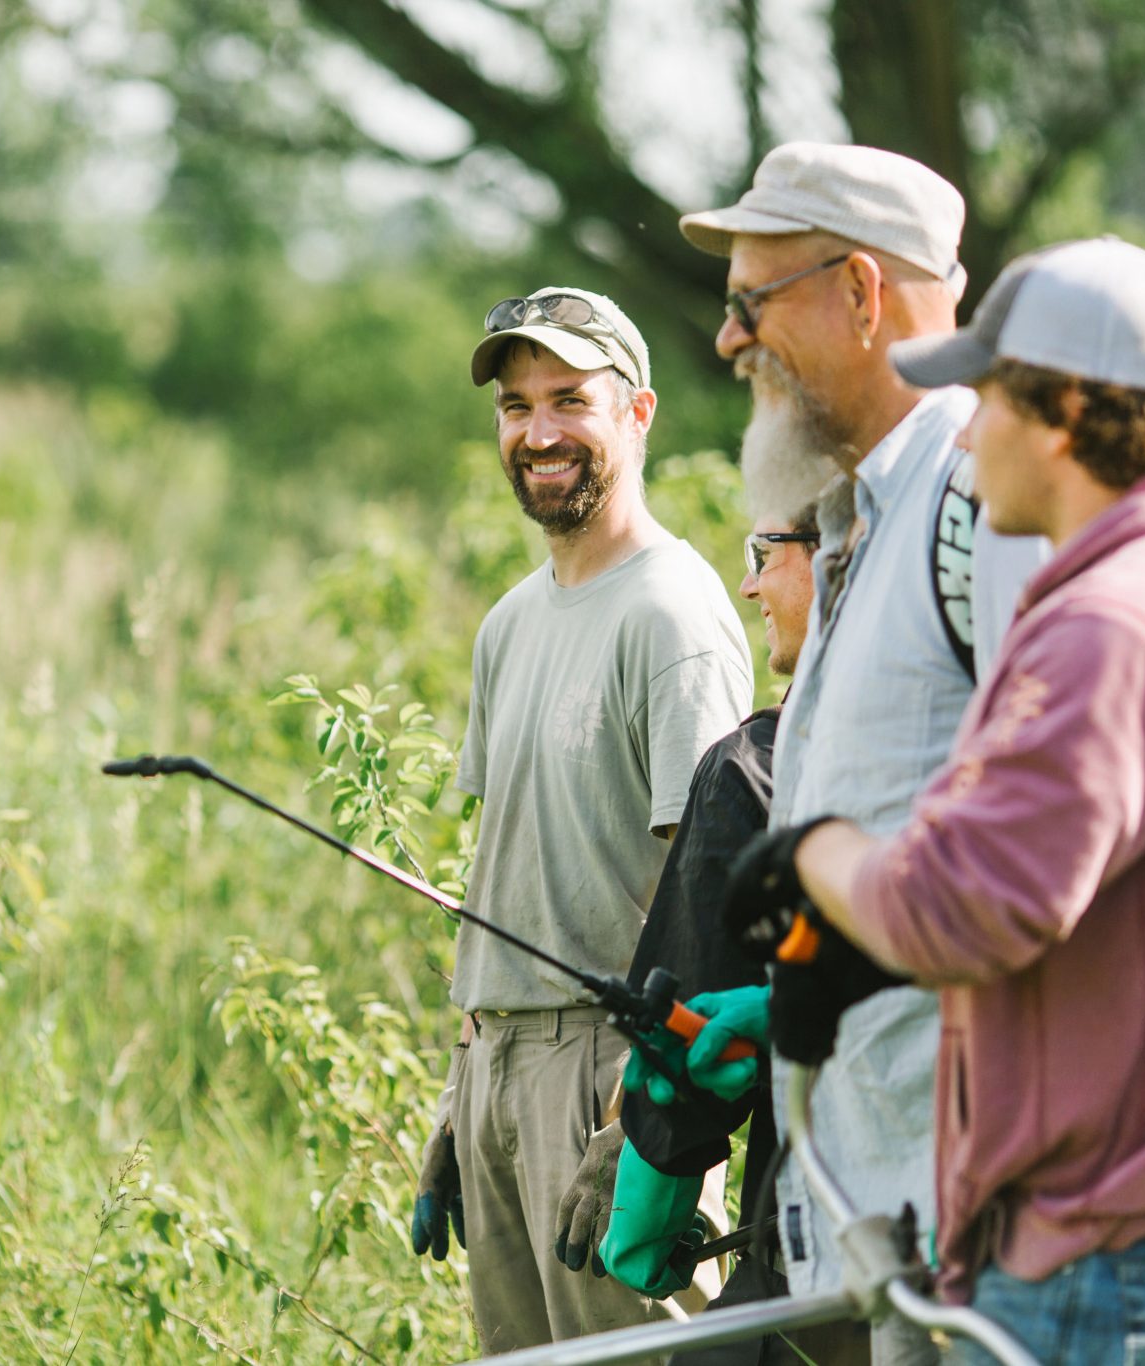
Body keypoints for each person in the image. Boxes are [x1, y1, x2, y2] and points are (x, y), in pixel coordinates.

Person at [762, 237, 1145, 1363]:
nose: (964, 438)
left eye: (983, 403)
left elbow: (970, 907)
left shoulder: (1107, 623)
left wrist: (813, 856)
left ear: (1065, 411)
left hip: (1106, 1262)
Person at [602, 142, 1046, 1366]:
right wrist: (807, 994)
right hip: (869, 1217)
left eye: (751, 304)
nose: (726, 342)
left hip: (996, 1231)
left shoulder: (988, 511)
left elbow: (1064, 865)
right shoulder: (853, 531)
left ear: (859, 294)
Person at [409, 286, 754, 1354]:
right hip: (499, 1066)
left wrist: (640, 1129)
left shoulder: (670, 613)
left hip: (610, 1075)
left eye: (569, 399)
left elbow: (709, 901)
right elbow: (511, 870)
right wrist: (463, 1096)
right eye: (515, 406)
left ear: (637, 412)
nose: (538, 432)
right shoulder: (509, 623)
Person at [545, 491, 824, 1316]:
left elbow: (692, 1036)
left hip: (826, 1239)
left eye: (765, 553)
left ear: (836, 550)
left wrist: (645, 1208)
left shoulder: (760, 764)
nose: (749, 587)